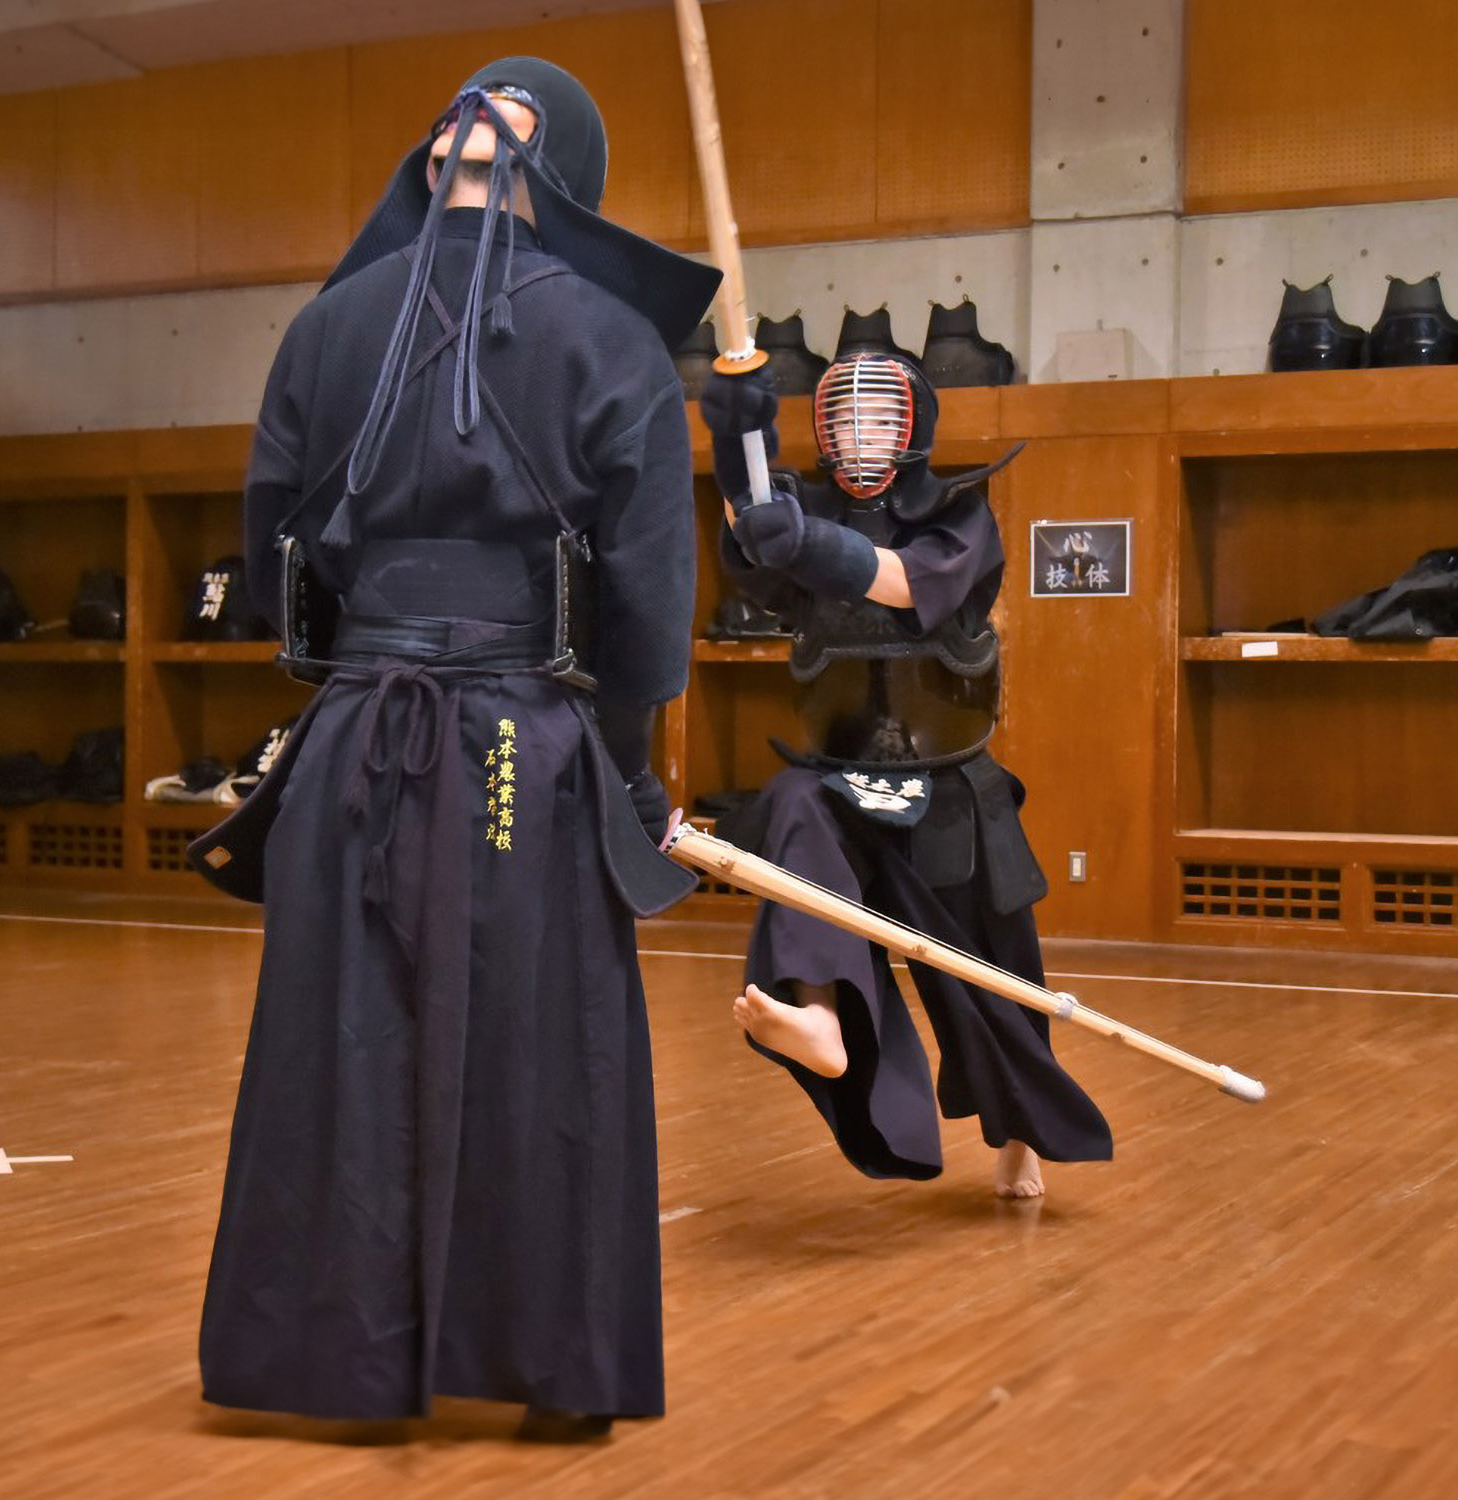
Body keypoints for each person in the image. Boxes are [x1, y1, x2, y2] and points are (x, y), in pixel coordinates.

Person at [191, 57, 720, 1440]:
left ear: (436, 163)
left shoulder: (325, 330)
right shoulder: (610, 340)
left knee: (345, 1045)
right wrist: (628, 773)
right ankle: (548, 1368)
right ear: (570, 186)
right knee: (545, 1053)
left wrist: (364, 655)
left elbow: (275, 563)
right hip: (522, 759)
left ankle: (347, 1369)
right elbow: (647, 605)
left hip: (350, 741)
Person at [700, 309, 1112, 1199]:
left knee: (998, 975)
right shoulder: (804, 514)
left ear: (913, 425)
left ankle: (1021, 1137)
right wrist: (736, 431)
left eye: (878, 417)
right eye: (843, 418)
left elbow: (898, 582)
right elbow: (752, 516)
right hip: (837, 773)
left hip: (949, 780)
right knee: (793, 818)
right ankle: (819, 1018)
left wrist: (803, 541)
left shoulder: (959, 518)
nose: (859, 432)